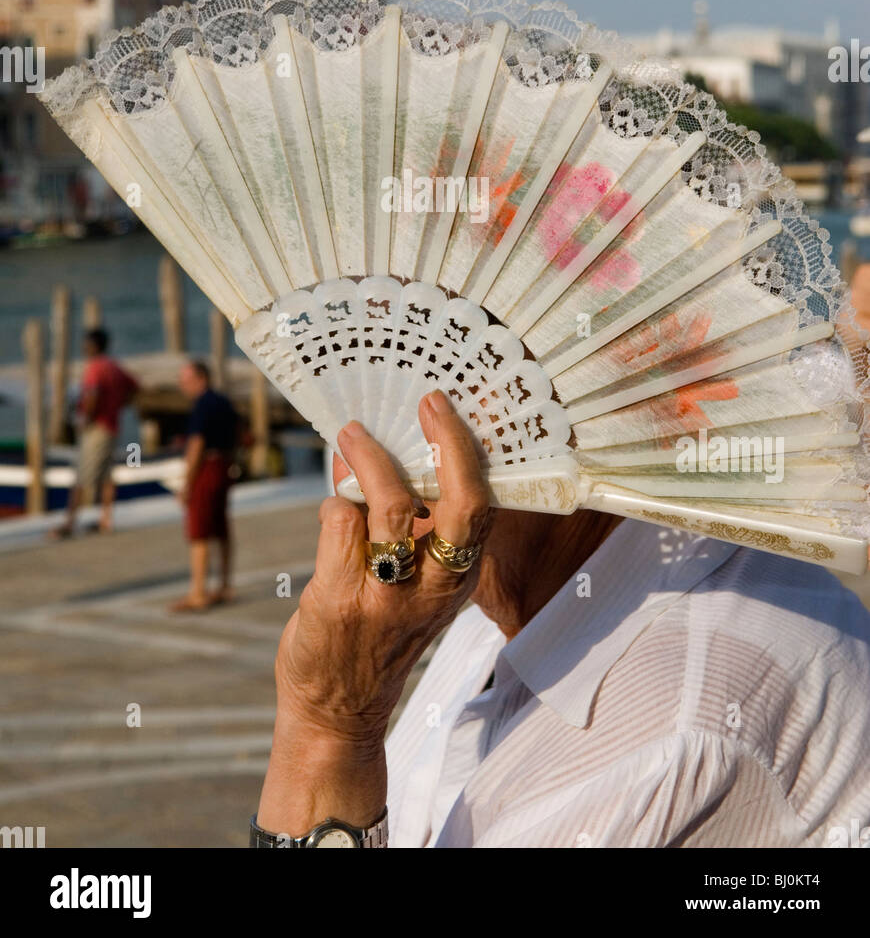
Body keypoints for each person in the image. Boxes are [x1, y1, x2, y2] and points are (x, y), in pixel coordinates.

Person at [249, 390, 870, 849]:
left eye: (428, 367)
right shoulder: (485, 617)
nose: (353, 467)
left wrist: (329, 726)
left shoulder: (673, 725)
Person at [55, 328, 138, 539]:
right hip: (112, 426)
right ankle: (105, 519)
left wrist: (85, 418)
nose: (84, 348)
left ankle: (69, 523)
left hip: (98, 428)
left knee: (83, 475)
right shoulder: (113, 367)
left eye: (86, 344)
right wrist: (119, 404)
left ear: (93, 346)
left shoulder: (95, 367)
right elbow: (135, 387)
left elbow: (92, 393)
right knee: (107, 474)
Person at [170, 360, 238, 613]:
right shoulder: (223, 402)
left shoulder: (202, 405)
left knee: (199, 529)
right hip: (224, 466)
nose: (182, 386)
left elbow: (196, 444)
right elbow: (238, 434)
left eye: (185, 381)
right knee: (221, 527)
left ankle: (197, 592)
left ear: (201, 379)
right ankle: (224, 585)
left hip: (207, 468)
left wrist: (187, 483)